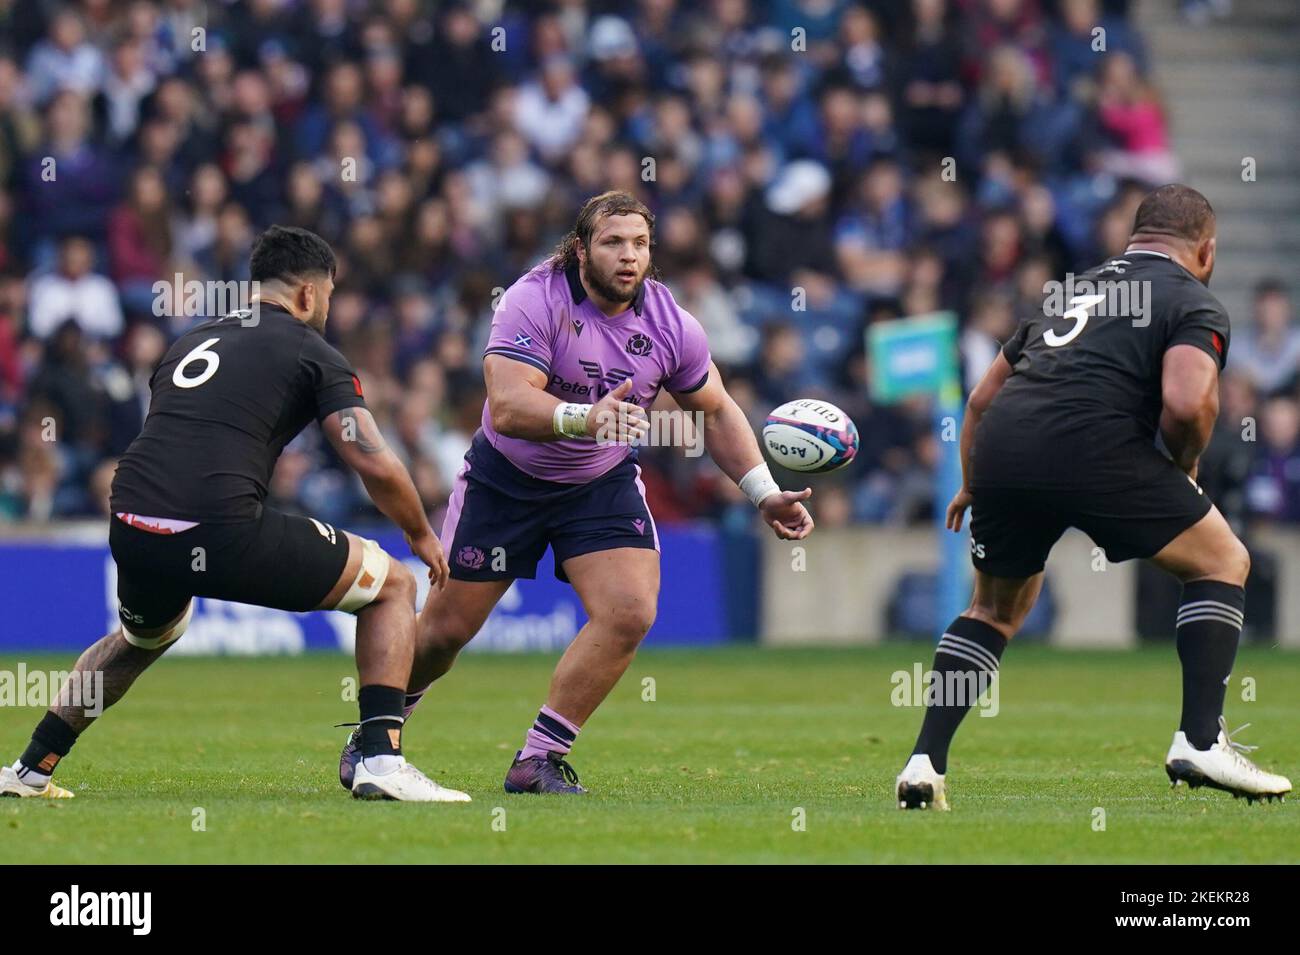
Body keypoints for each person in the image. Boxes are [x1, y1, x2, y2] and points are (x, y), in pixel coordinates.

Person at [339, 191, 815, 794]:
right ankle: (375, 738)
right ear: (581, 247)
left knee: (630, 611)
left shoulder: (671, 324)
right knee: (444, 632)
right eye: (614, 242)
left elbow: (715, 411)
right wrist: (585, 418)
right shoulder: (531, 300)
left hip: (597, 482)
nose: (629, 256)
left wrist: (763, 491)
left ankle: (536, 760)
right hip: (504, 481)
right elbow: (508, 407)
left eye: (640, 244)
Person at [1, 225, 466, 803]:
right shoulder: (312, 352)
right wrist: (420, 531)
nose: (326, 309)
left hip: (132, 523)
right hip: (217, 525)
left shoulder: (189, 341)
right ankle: (381, 761)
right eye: (326, 294)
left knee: (141, 638)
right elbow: (370, 458)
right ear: (306, 294)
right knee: (392, 585)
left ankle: (30, 770)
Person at [895, 184, 1290, 810]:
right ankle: (1199, 738)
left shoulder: (1070, 291)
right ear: (1206, 251)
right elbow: (1188, 402)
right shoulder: (1192, 300)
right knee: (1224, 561)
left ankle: (924, 762)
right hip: (1093, 448)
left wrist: (973, 480)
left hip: (1004, 445)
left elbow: (980, 399)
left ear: (1133, 239)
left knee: (992, 612)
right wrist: (1185, 469)